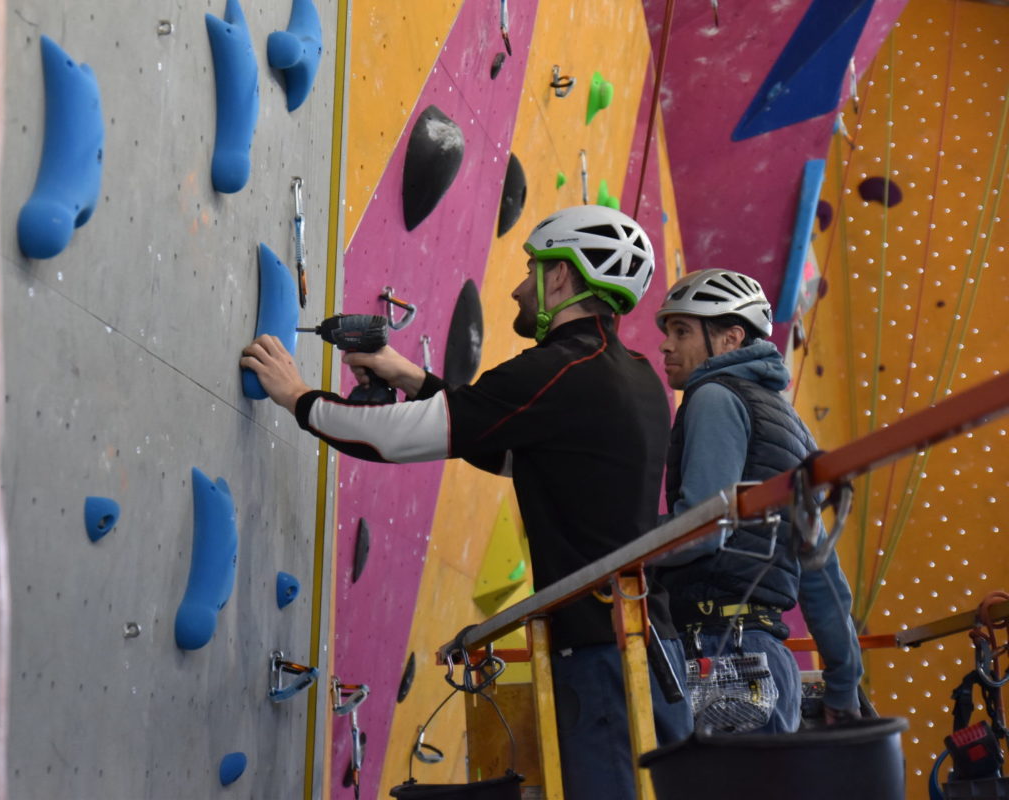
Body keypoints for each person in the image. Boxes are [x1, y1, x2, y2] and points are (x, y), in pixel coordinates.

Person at [242, 205, 692, 797]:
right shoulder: (633, 377)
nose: (516, 287)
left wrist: (299, 398)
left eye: (532, 269)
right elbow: (519, 451)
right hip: (645, 651)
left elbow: (402, 437)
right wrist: (409, 376)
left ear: (561, 278)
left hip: (601, 655)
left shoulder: (561, 369)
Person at [653, 268, 863, 732]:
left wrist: (619, 546)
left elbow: (704, 527)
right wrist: (844, 685)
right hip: (768, 663)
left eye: (682, 330)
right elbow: (822, 575)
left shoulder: (714, 396)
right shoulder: (792, 426)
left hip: (714, 654)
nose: (666, 345)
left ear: (730, 338)